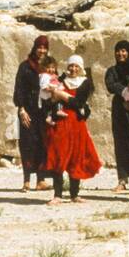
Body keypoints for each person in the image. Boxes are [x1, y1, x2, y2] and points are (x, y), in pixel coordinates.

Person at [42, 54, 103, 205]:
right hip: (61, 123)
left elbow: (78, 103)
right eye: (71, 66)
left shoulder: (85, 82)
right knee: (59, 156)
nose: (73, 69)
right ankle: (57, 195)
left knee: (76, 157)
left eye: (76, 66)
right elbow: (49, 100)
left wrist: (61, 95)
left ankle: (74, 194)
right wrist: (54, 100)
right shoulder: (61, 80)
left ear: (81, 67)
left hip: (76, 123)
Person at [13, 35, 51, 191]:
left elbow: (55, 84)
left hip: (42, 112)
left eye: (44, 48)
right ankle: (26, 181)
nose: (41, 51)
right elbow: (19, 88)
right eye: (39, 47)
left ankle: (40, 180)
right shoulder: (25, 67)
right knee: (27, 144)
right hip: (27, 111)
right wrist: (21, 109)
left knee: (42, 144)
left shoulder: (48, 67)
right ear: (35, 48)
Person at [104, 40, 129, 192]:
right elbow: (110, 85)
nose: (120, 54)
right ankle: (122, 180)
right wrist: (125, 93)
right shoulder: (112, 70)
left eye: (124, 50)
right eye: (118, 51)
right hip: (120, 109)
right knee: (121, 142)